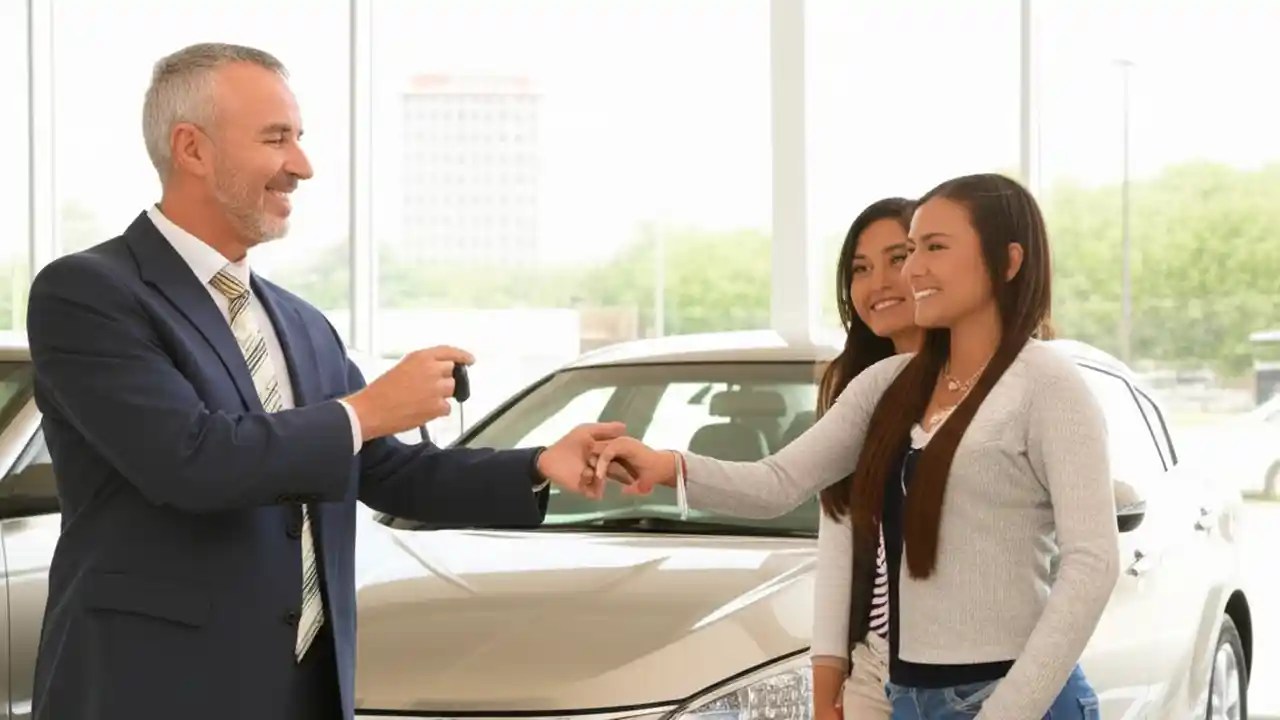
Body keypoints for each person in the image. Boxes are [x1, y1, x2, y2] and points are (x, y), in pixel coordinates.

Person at [25, 42, 621, 720]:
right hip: (152, 690)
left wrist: (540, 465)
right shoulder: (88, 294)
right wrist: (366, 410)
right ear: (191, 149)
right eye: (276, 139)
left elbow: (390, 473)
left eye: (299, 139)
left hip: (303, 690)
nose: (301, 166)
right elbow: (189, 461)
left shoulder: (302, 323)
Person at [597, 173, 1119, 719]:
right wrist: (665, 466)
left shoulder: (1050, 387)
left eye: (934, 248)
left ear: (1009, 262)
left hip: (1016, 698)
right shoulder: (888, 384)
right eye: (912, 249)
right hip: (907, 697)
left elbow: (1093, 564)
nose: (914, 268)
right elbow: (778, 483)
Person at [811, 197, 922, 720]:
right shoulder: (857, 392)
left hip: (971, 677)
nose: (877, 282)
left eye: (896, 258)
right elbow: (837, 548)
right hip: (874, 672)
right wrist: (826, 693)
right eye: (860, 268)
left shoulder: (998, 385)